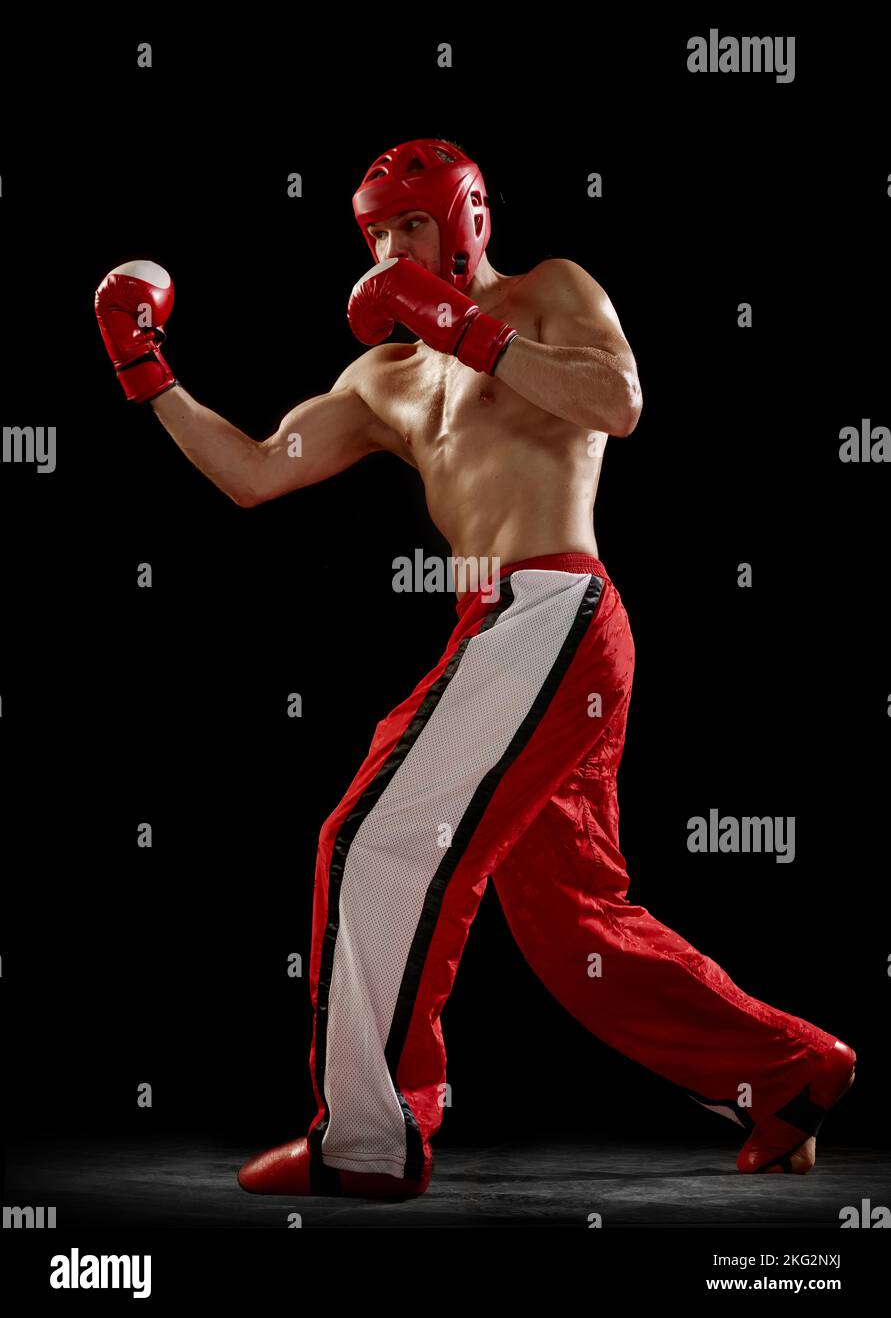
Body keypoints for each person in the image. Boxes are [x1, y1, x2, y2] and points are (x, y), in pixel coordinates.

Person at [95, 138, 856, 1201]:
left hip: (556, 605)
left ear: (468, 219)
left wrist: (471, 327)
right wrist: (148, 373)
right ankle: (787, 1075)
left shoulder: (551, 294)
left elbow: (619, 401)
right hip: (501, 626)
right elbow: (255, 471)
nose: (392, 249)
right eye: (375, 235)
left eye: (410, 225)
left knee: (370, 836)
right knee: (574, 922)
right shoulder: (384, 379)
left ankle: (368, 1137)